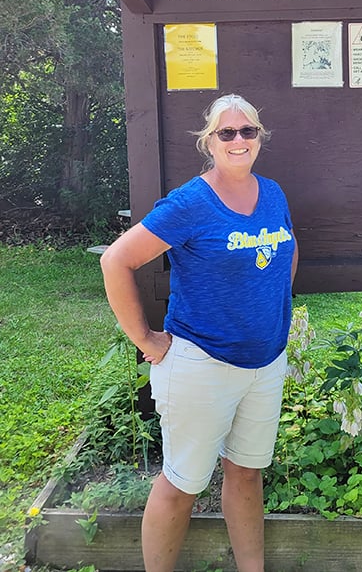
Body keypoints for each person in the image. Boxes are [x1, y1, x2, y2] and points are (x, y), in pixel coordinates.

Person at [101, 93, 298, 572]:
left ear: (260, 137)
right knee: (182, 483)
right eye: (226, 132)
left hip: (265, 363)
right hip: (202, 364)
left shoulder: (272, 192)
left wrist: (270, 306)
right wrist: (146, 340)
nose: (238, 139)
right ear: (209, 141)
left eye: (247, 130)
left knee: (247, 473)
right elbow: (116, 260)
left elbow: (288, 250)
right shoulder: (191, 202)